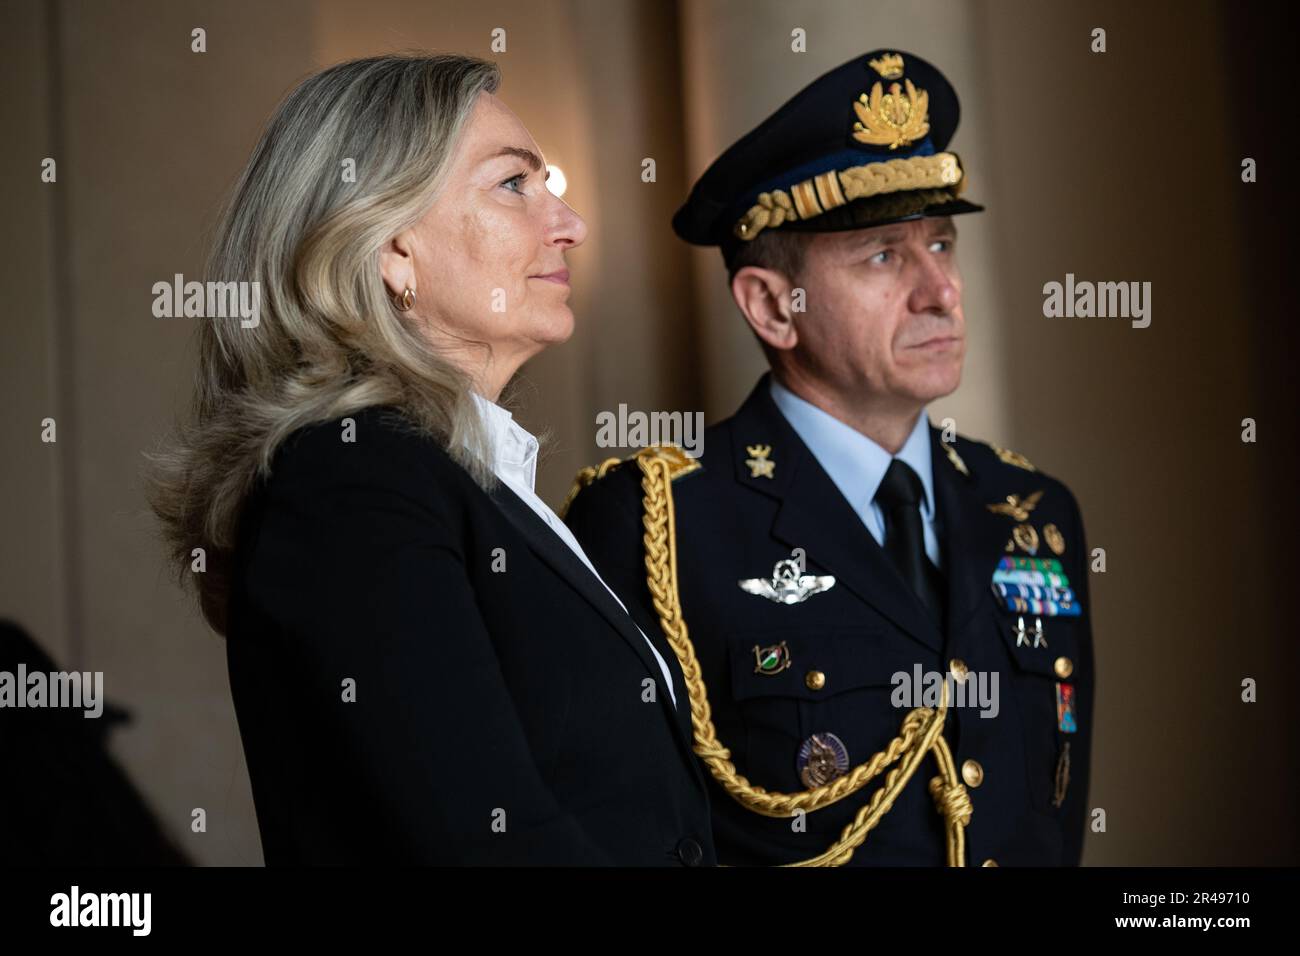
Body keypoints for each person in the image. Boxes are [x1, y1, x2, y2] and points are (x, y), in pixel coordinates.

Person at [146, 53, 713, 866]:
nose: (570, 222)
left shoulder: (450, 477)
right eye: (513, 185)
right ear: (390, 249)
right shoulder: (350, 482)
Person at [565, 49, 1093, 866]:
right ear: (774, 307)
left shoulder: (1032, 511)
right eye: (885, 255)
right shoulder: (652, 524)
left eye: (942, 246)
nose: (939, 290)